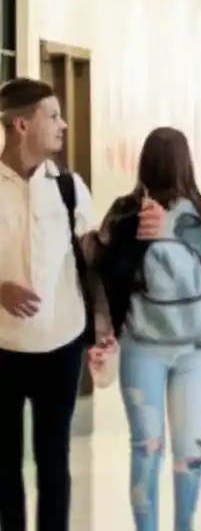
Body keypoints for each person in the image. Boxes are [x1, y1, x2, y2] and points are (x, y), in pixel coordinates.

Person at [95, 127, 201, 531]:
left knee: (146, 448)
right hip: (193, 349)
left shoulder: (126, 209)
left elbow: (108, 273)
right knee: (190, 451)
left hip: (141, 343)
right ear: (187, 161)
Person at [0, 78, 108, 531]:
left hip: (61, 342)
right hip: (2, 347)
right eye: (53, 116)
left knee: (54, 459)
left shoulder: (70, 187)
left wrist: (103, 319)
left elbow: (91, 257)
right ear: (22, 124)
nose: (63, 125)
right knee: (4, 464)